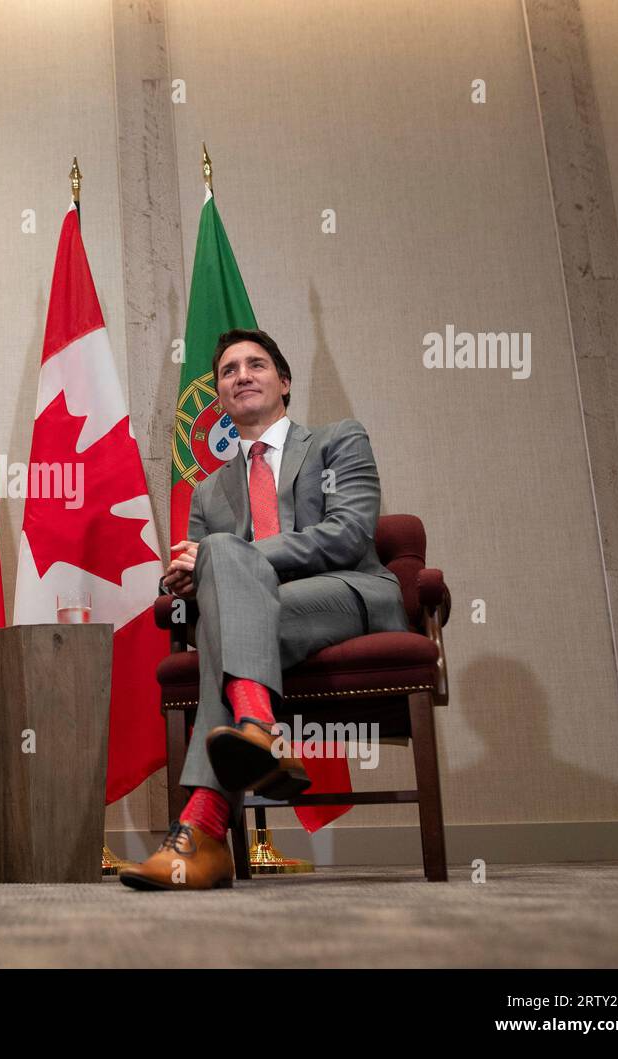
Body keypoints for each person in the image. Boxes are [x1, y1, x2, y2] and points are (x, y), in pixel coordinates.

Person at [120, 329, 407, 891]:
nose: (242, 375)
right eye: (229, 371)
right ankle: (252, 737)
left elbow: (348, 535)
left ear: (284, 381)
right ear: (221, 397)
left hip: (347, 594)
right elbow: (210, 581)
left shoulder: (338, 440)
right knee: (222, 588)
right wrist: (181, 578)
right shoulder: (208, 493)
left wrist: (224, 558)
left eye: (256, 365)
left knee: (225, 575)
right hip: (260, 620)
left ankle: (203, 828)